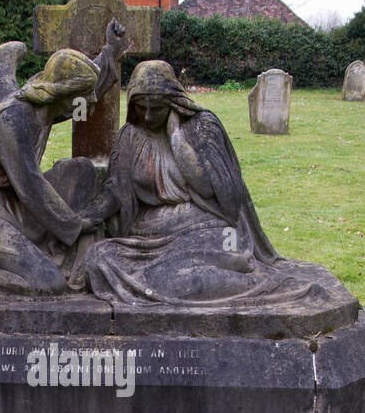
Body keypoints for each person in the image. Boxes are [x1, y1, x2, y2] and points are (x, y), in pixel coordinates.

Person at [78, 61, 320, 306]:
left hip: (209, 227)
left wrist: (176, 139)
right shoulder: (129, 135)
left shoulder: (202, 126)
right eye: (141, 108)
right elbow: (116, 190)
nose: (148, 116)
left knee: (173, 274)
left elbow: (226, 198)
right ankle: (165, 284)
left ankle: (266, 286)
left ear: (173, 104)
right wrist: (84, 218)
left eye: (157, 108)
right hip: (148, 234)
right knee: (99, 257)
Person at [0, 23, 126, 295]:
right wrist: (76, 224)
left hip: (13, 200)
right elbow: (32, 186)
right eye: (83, 95)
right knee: (49, 282)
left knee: (82, 170)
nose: (92, 99)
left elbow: (88, 85)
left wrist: (110, 51)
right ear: (63, 92)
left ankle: (47, 248)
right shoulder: (12, 121)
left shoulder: (42, 107)